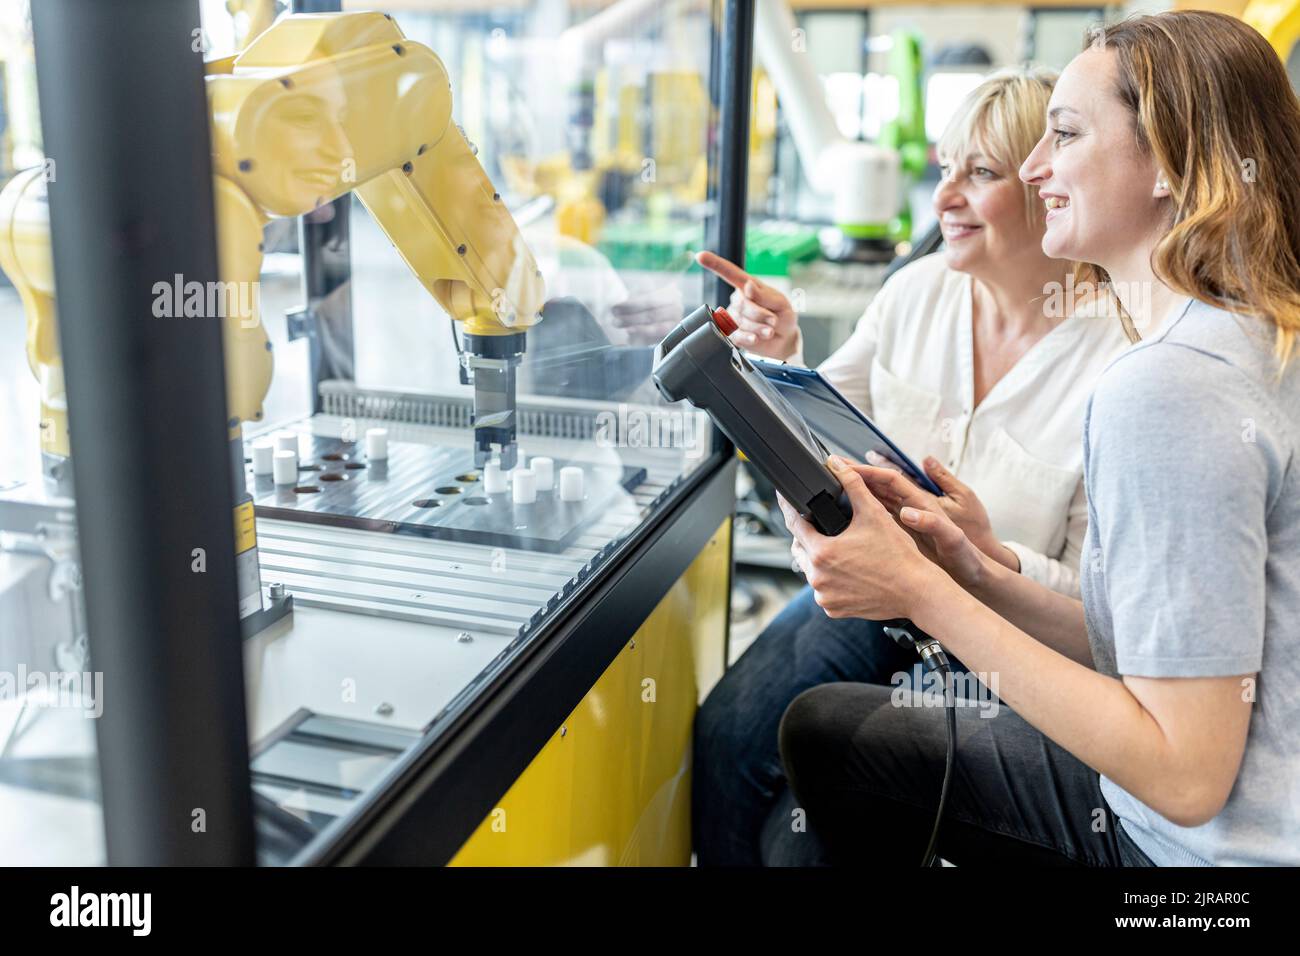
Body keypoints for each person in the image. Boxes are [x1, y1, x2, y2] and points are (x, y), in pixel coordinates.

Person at [778, 10, 1300, 867]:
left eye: (1062, 134)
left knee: (829, 740)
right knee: (834, 729)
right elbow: (1174, 650)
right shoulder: (1255, 336)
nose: (1034, 168)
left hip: (1200, 861)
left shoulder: (1164, 388)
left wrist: (920, 590)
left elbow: (1184, 777)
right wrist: (974, 571)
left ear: (1168, 163)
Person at [691, 67, 1134, 865]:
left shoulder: (1121, 359)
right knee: (729, 735)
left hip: (1005, 645)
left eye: (980, 173)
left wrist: (983, 554)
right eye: (943, 171)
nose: (943, 200)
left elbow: (1099, 612)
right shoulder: (915, 294)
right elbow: (817, 417)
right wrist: (779, 357)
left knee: (800, 843)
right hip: (877, 602)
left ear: (1048, 185)